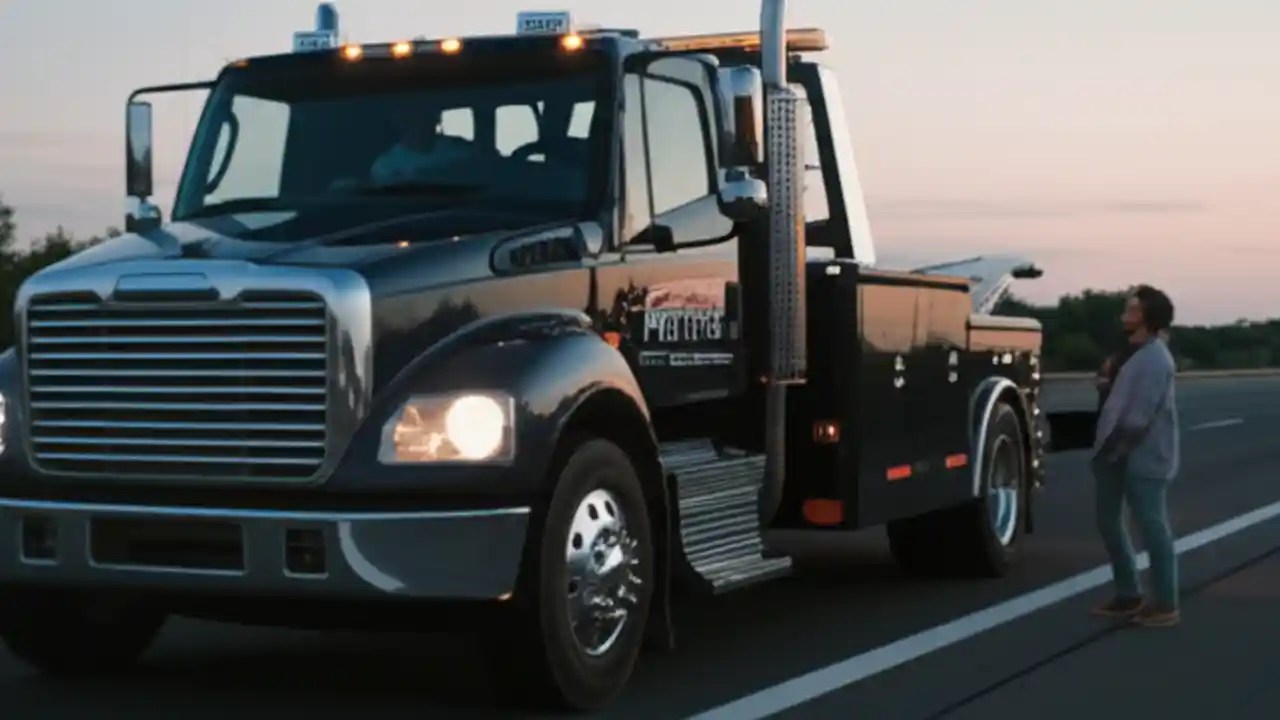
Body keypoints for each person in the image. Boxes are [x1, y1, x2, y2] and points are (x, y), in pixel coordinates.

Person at [1090, 286, 1181, 627]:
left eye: (1131, 307)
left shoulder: (1156, 358)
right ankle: (1128, 594)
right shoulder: (1129, 352)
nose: (1124, 313)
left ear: (1146, 315)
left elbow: (1139, 417)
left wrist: (1111, 452)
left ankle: (1166, 604)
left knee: (1152, 525)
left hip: (1142, 454)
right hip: (1113, 450)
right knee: (1107, 520)